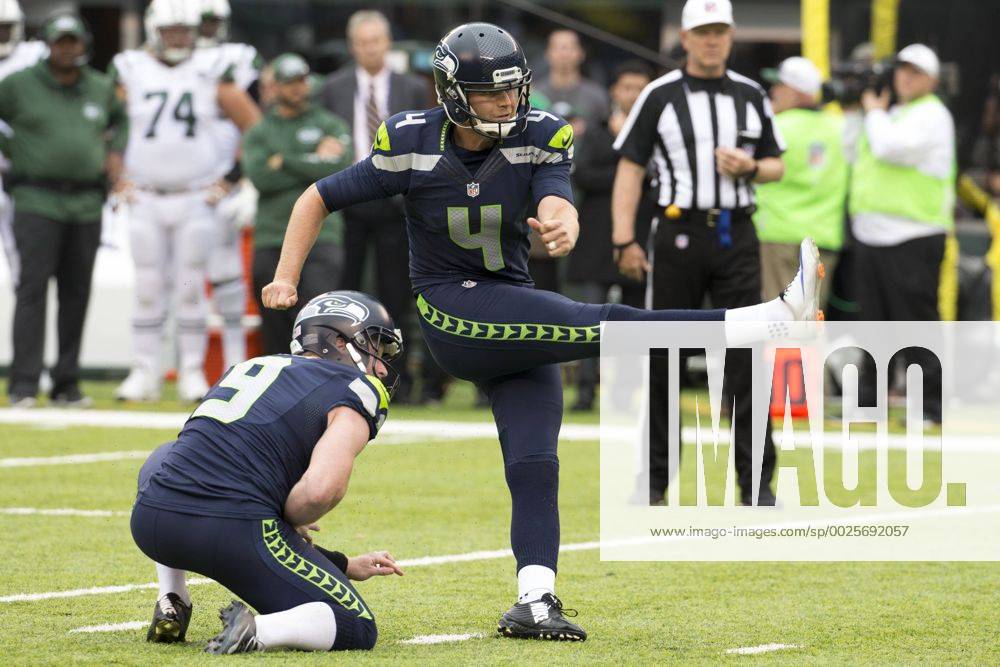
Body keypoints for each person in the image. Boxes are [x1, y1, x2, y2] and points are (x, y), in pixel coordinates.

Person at [261, 22, 823, 640]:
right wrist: (287, 279)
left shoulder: (539, 134)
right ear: (454, 94)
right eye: (493, 93)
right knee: (603, 325)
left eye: (514, 89)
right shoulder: (411, 140)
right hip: (455, 313)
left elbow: (558, 198)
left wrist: (565, 225)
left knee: (535, 462)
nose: (509, 102)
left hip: (515, 315)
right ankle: (765, 321)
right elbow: (316, 195)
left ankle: (535, 599)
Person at [131, 290, 404, 653]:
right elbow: (322, 490)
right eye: (375, 346)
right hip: (230, 530)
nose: (381, 366)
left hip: (153, 523)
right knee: (354, 624)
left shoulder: (249, 366)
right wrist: (288, 516)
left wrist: (341, 563)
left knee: (167, 454)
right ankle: (255, 630)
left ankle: (172, 595)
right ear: (339, 339)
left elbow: (194, 456)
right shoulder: (355, 387)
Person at [612, 0, 788, 506]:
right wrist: (623, 238)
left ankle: (756, 484)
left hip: (736, 235)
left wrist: (750, 168)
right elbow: (630, 166)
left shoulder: (751, 94)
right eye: (702, 32)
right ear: (685, 38)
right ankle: (654, 482)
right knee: (664, 358)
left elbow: (777, 164)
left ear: (730, 37)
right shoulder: (659, 95)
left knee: (747, 360)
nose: (712, 40)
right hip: (676, 234)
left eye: (720, 32)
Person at [111, 0, 260, 402]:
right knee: (147, 286)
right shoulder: (130, 68)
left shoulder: (212, 70)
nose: (178, 39)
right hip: (145, 194)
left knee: (191, 286)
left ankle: (191, 370)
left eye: (184, 32)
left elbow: (255, 125)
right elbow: (106, 123)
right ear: (153, 30)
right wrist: (115, 176)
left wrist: (229, 178)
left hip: (196, 196)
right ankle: (144, 370)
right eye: (170, 32)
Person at [0, 13, 126, 408]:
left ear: (83, 44)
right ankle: (23, 383)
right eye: (61, 42)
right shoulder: (19, 84)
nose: (68, 49)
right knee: (32, 290)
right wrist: (13, 153)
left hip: (87, 201)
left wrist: (114, 155)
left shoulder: (99, 86)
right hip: (36, 198)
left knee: (77, 293)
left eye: (74, 42)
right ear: (48, 44)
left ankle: (65, 383)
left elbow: (121, 121)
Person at [318, 10, 440, 404]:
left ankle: (397, 382)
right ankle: (342, 376)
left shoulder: (413, 87)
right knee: (343, 290)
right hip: (347, 201)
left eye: (376, 41)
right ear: (353, 46)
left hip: (395, 202)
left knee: (395, 295)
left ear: (387, 44)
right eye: (363, 42)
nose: (370, 49)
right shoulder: (332, 88)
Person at [851, 44, 955, 424]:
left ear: (932, 80)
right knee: (874, 324)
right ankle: (869, 403)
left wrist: (874, 113)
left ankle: (929, 406)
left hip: (913, 234)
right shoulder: (892, 113)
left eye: (915, 72)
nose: (905, 77)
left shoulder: (932, 115)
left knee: (915, 323)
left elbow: (891, 148)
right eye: (902, 70)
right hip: (872, 233)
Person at [244, 53, 353, 355]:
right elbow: (260, 177)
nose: (297, 88)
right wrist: (311, 159)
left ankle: (315, 387)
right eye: (289, 82)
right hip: (271, 235)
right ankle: (276, 388)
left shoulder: (330, 124)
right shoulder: (259, 132)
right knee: (274, 319)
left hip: (324, 234)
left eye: (301, 81)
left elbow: (339, 168)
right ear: (274, 87)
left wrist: (284, 161)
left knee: (317, 318)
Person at [568, 60, 653, 411]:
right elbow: (583, 175)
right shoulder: (597, 130)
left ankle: (624, 394)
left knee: (634, 320)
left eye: (639, 87)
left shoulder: (656, 131)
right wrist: (628, 164)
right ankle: (585, 391)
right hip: (598, 237)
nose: (632, 94)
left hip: (641, 234)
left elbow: (656, 179)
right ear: (614, 92)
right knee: (591, 318)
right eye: (626, 87)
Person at [198, 0, 264, 371]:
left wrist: (238, 176)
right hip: (172, 185)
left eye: (211, 22)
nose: (206, 30)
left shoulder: (233, 63)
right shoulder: (141, 66)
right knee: (165, 284)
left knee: (227, 279)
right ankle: (180, 368)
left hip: (220, 184)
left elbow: (255, 129)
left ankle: (235, 363)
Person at [756, 56, 848, 303]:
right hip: (823, 239)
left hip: (779, 237)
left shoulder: (775, 125)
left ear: (795, 92)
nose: (773, 92)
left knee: (782, 320)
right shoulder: (840, 127)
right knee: (811, 319)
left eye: (780, 86)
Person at [0, 0, 48, 281]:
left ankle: (23, 290)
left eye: (6, 28)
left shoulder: (34, 55)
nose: (2, 35)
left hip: (22, 165)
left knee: (21, 248)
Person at [533, 29, 610, 138]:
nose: (564, 53)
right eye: (557, 47)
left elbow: (606, 135)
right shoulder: (533, 95)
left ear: (581, 53)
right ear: (547, 53)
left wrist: (587, 129)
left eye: (570, 47)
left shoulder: (597, 95)